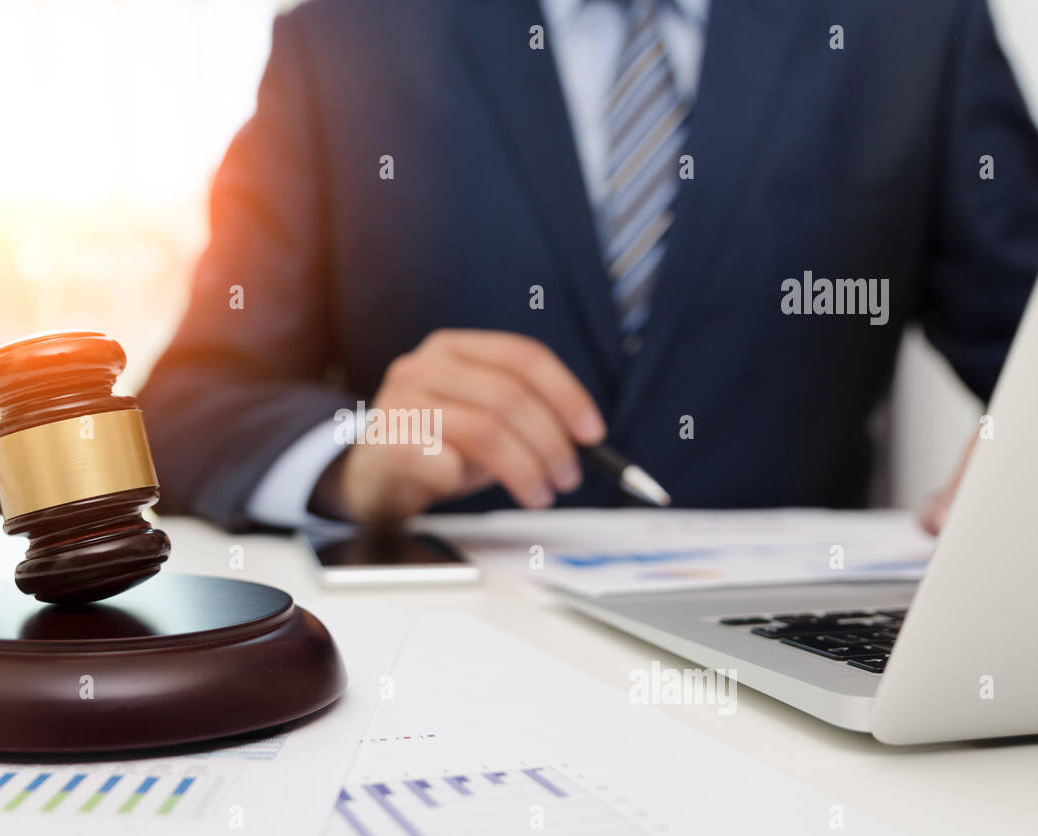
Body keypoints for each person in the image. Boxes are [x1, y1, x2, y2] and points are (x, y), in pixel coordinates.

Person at [138, 0, 1038, 532]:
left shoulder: (915, 27)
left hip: (812, 709)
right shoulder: (345, 37)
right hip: (436, 685)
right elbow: (187, 410)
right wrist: (359, 453)